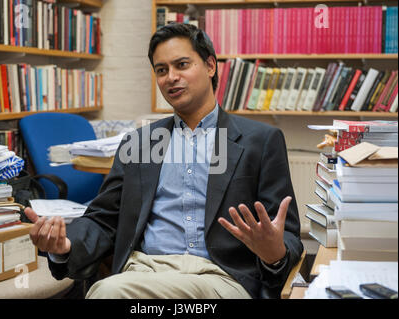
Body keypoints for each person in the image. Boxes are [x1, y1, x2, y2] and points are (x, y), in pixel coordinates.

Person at [24, 23, 303, 299]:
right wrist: (65, 244)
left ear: (210, 66)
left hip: (220, 278)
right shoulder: (139, 143)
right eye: (161, 70)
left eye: (182, 65)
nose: (171, 77)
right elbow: (105, 218)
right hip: (144, 271)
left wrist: (274, 253)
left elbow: (286, 236)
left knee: (108, 293)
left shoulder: (261, 141)